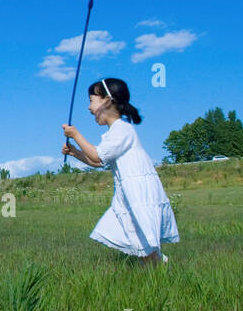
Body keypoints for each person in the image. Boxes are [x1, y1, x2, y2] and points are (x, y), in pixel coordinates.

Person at [62, 78, 178, 266]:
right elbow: (97, 162)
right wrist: (75, 152)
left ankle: (158, 266)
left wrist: (76, 135)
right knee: (135, 236)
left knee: (140, 236)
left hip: (138, 191)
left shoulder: (122, 130)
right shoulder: (115, 132)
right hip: (129, 191)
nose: (89, 108)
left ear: (107, 101)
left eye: (92, 101)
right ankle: (155, 267)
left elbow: (98, 156)